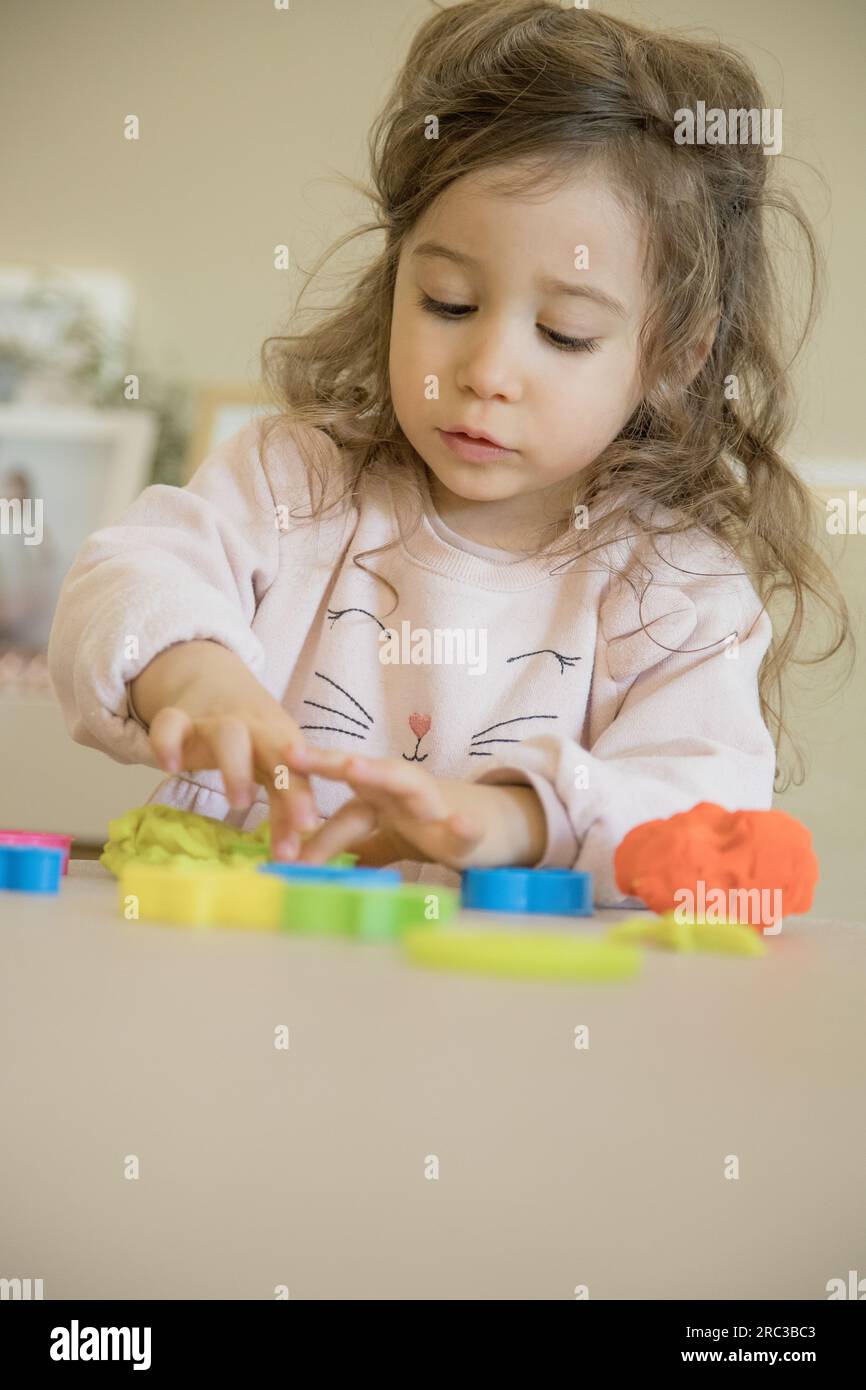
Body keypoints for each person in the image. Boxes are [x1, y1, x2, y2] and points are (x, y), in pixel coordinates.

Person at [47, 1, 850, 904]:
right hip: (233, 979)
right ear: (396, 279)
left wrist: (511, 819)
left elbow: (709, 815)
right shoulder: (293, 481)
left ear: (672, 358)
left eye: (564, 332)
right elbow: (124, 581)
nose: (486, 372)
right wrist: (193, 677)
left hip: (501, 1022)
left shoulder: (674, 590)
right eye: (450, 303)